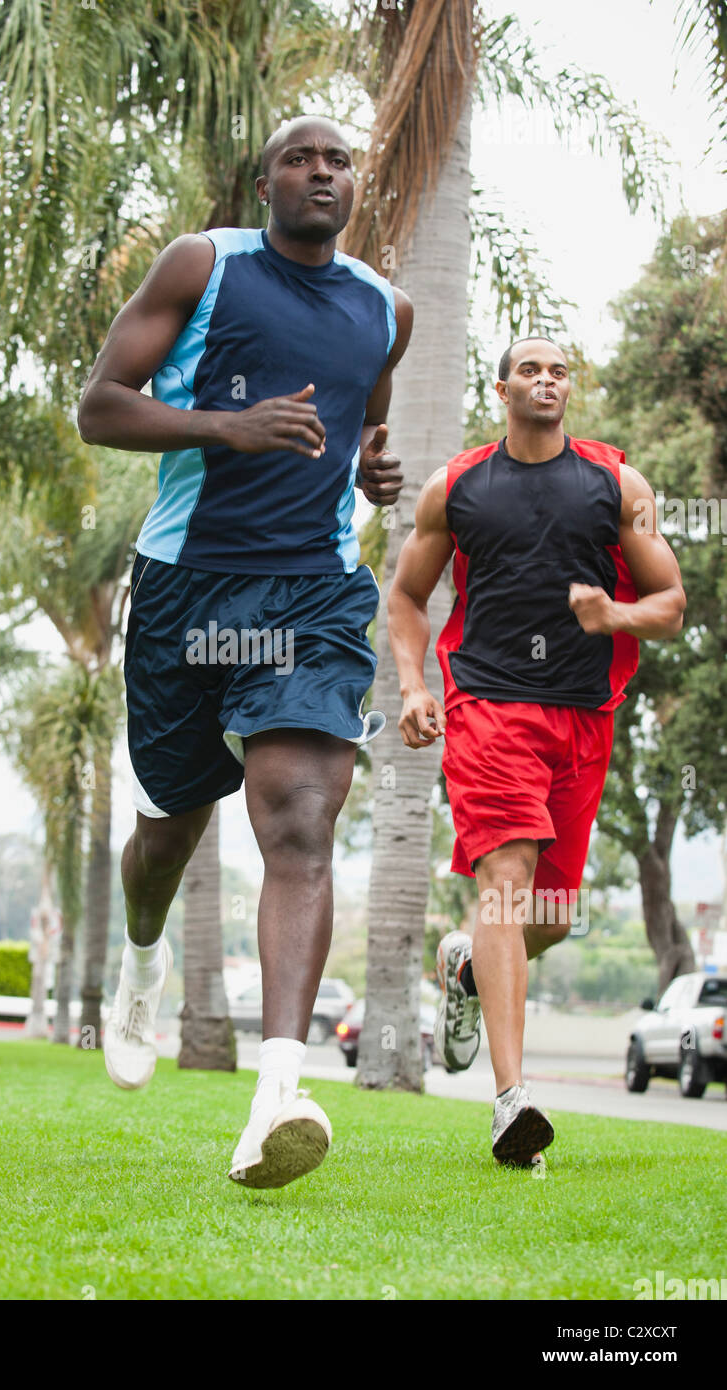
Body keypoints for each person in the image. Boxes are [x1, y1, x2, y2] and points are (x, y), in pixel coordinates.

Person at [78, 115, 413, 1188]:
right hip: (188, 583)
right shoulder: (202, 265)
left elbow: (366, 419)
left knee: (299, 818)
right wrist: (227, 429)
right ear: (262, 180)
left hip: (312, 590)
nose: (323, 172)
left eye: (339, 160)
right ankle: (141, 962)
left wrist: (369, 469)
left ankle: (279, 1091)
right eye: (300, 158)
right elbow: (98, 409)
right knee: (170, 829)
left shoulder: (381, 308)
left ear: (354, 185)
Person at [386, 336, 685, 1166]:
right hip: (487, 705)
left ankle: (466, 967)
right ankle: (511, 1104)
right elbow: (408, 598)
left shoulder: (616, 485)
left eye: (559, 371)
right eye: (531, 370)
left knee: (545, 917)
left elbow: (669, 603)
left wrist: (612, 618)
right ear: (504, 387)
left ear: (569, 389)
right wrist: (415, 685)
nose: (547, 381)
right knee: (506, 884)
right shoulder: (459, 487)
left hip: (584, 715)